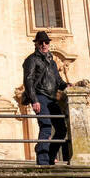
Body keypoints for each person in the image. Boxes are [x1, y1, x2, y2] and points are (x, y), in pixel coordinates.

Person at [22, 30, 68, 166]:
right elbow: (28, 80)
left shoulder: (52, 61)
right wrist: (34, 99)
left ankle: (50, 156)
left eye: (46, 42)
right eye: (40, 42)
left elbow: (58, 81)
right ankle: (42, 161)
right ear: (36, 44)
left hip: (52, 99)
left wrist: (66, 85)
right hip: (40, 96)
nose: (43, 44)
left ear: (49, 44)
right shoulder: (31, 60)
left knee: (61, 129)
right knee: (46, 126)